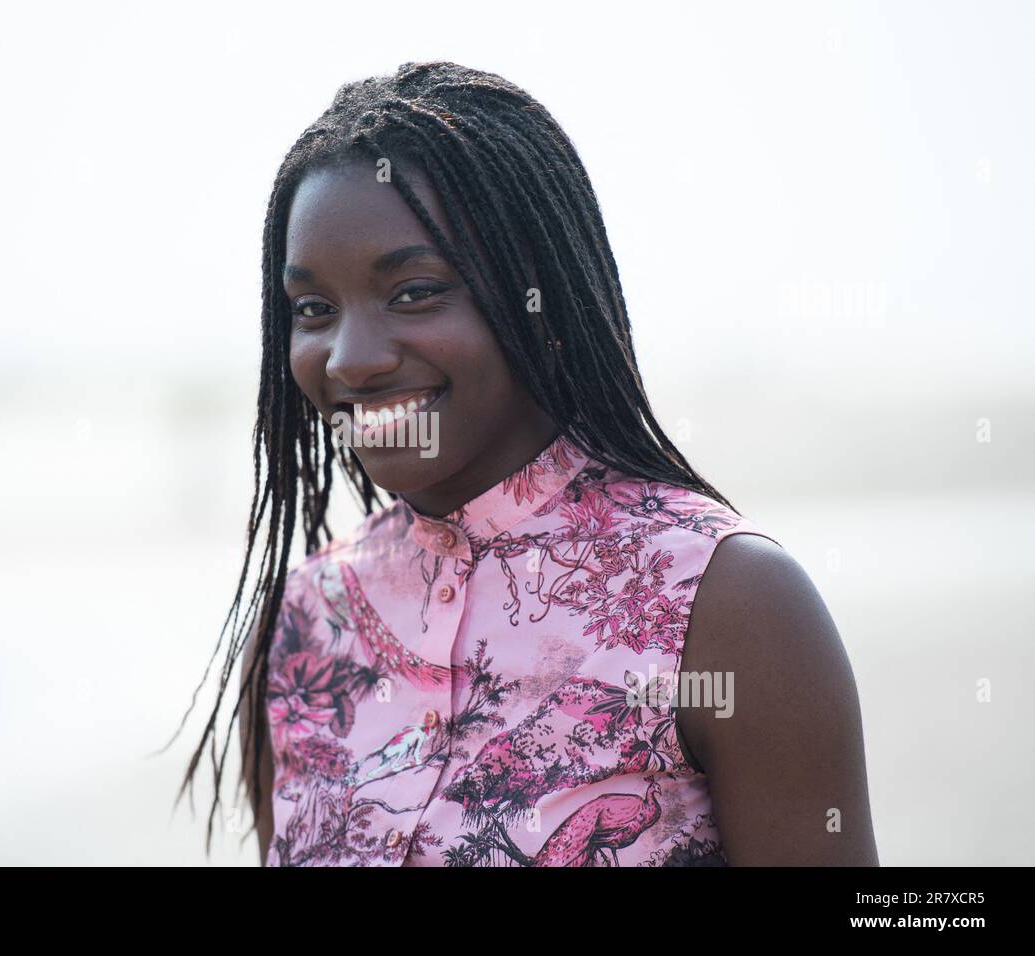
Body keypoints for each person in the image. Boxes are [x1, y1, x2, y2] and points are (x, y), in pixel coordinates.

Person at [172, 61, 878, 867]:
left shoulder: (729, 605)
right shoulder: (305, 621)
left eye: (414, 292)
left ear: (539, 293)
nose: (351, 358)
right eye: (314, 309)